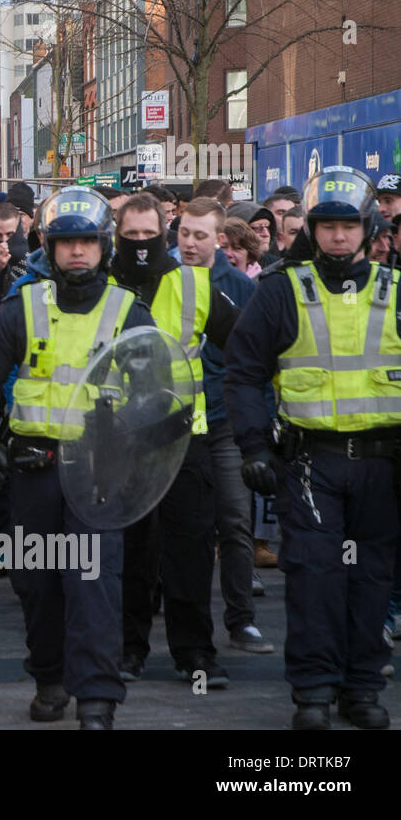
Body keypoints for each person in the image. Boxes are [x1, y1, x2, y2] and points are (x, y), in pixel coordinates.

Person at [0, 186, 154, 729]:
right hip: (33, 471)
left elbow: (157, 391)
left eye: (86, 242)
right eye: (65, 241)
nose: (75, 252)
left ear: (103, 246)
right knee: (38, 585)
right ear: (49, 244)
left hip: (98, 476)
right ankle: (49, 677)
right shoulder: (22, 306)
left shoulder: (128, 311)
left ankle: (96, 698)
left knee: (93, 585)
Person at [226, 166, 400, 730]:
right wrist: (254, 445)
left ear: (369, 228)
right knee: (315, 578)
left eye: (349, 226)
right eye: (327, 227)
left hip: (383, 463)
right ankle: (315, 691)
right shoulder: (282, 291)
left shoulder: (395, 293)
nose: (339, 237)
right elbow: (245, 372)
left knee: (371, 580)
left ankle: (363, 687)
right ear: (312, 231)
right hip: (309, 463)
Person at [109, 193, 241, 686]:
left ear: (164, 233)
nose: (141, 243)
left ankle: (196, 655)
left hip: (188, 439)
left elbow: (246, 342)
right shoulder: (101, 284)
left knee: (189, 554)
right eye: (131, 235)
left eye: (150, 235)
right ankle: (128, 650)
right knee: (132, 555)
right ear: (117, 234)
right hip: (123, 442)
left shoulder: (194, 284)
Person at [175, 196, 273, 653]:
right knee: (176, 528)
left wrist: (261, 425)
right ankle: (168, 614)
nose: (191, 243)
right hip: (173, 425)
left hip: (226, 423)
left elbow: (258, 360)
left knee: (234, 520)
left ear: (218, 238)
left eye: (200, 235)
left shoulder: (240, 287)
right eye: (184, 233)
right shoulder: (164, 282)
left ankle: (242, 620)